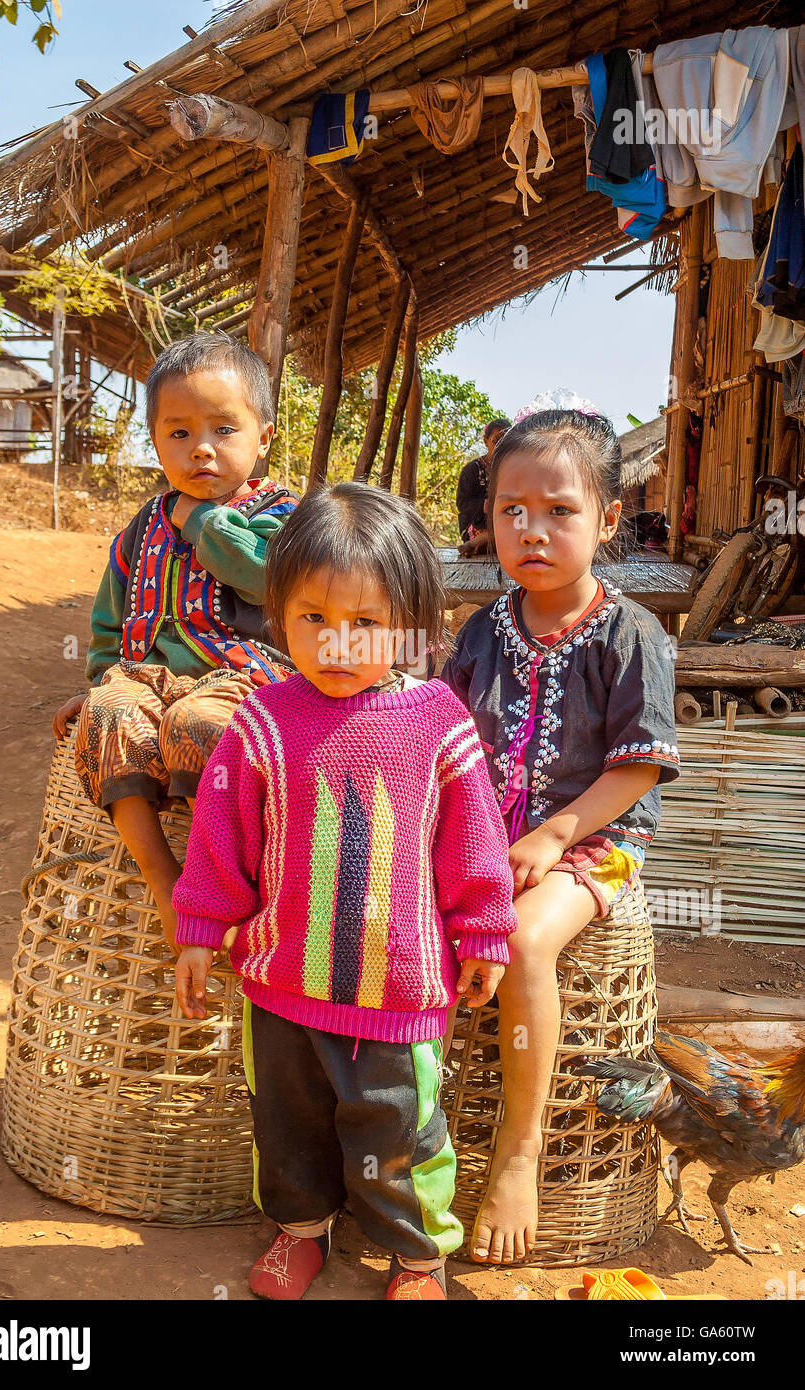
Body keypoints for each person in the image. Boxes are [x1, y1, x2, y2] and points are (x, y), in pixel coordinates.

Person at [172, 482, 517, 1301]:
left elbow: (474, 841)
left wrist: (485, 934)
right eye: (314, 619)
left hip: (396, 991)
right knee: (287, 1125)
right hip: (281, 985)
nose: (336, 643)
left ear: (410, 621)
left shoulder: (437, 720)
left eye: (365, 622)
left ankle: (416, 1254)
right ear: (278, 615)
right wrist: (198, 927)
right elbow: (221, 839)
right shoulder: (262, 722)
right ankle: (301, 1229)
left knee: (398, 1131)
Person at [440, 406, 679, 1265]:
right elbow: (446, 741)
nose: (531, 531)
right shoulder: (480, 631)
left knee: (522, 939)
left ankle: (520, 1147)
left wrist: (554, 835)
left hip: (594, 841)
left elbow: (639, 768)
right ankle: (403, 1136)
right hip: (483, 835)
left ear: (609, 519)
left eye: (559, 511)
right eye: (511, 510)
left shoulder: (633, 635)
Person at [52, 332, 297, 950]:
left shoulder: (282, 518)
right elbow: (110, 623)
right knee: (109, 711)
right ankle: (165, 879)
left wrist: (204, 521)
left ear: (264, 434)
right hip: (145, 680)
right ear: (156, 440)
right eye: (179, 433)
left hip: (243, 678)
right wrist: (100, 682)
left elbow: (266, 580)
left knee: (197, 723)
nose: (202, 451)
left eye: (224, 430)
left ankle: (229, 881)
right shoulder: (141, 529)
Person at [455, 416, 510, 551]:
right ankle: (480, 542)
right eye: (496, 441)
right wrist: (486, 505)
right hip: (477, 525)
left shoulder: (512, 469)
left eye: (505, 441)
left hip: (505, 525)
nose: (500, 446)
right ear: (486, 441)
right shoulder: (472, 469)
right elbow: (462, 503)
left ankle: (487, 541)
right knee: (502, 540)